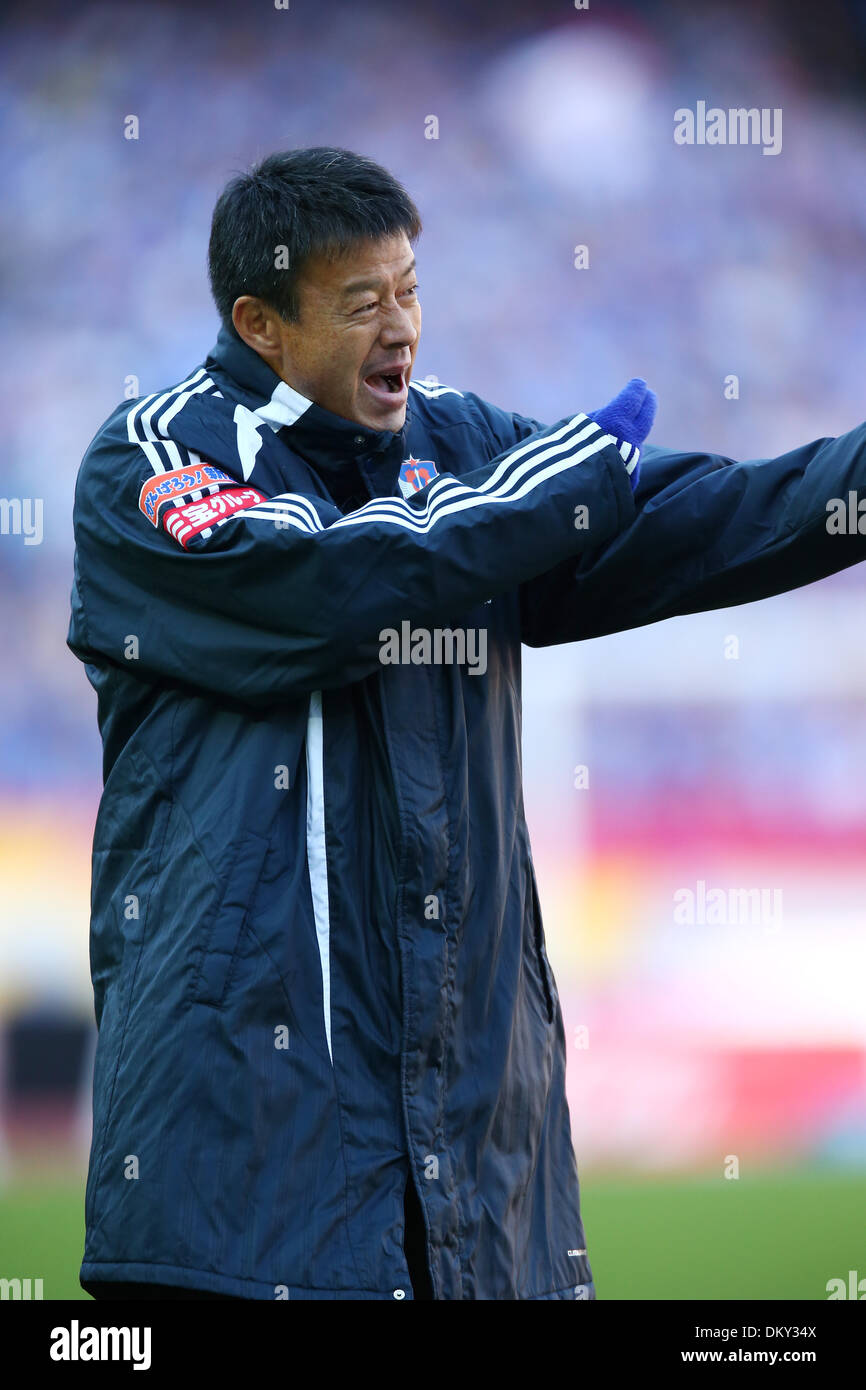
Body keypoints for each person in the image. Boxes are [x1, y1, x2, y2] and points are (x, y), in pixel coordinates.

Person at [68, 146, 866, 1301]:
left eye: (409, 288)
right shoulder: (149, 458)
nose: (401, 327)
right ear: (260, 323)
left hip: (475, 1183)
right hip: (239, 1185)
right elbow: (324, 586)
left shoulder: (464, 452)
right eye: (361, 302)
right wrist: (551, 491)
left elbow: (697, 519)